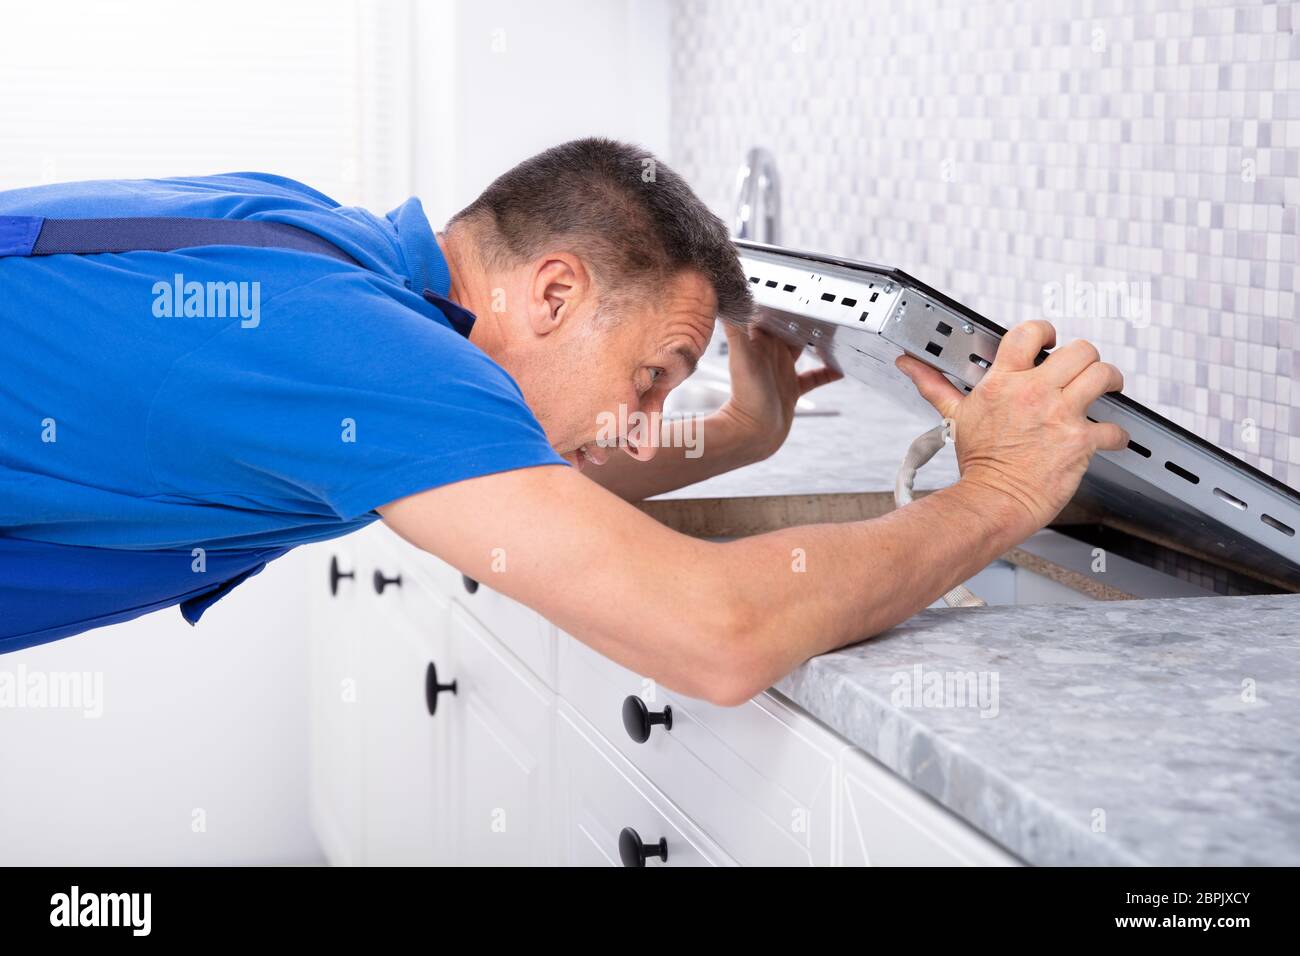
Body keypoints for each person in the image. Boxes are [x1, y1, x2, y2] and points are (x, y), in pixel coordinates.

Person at [0, 138, 1125, 702]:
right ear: (554, 293)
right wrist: (999, 494)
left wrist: (740, 429)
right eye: (650, 375)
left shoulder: (317, 248)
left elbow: (510, 494)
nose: (642, 426)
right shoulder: (364, 353)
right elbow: (716, 633)